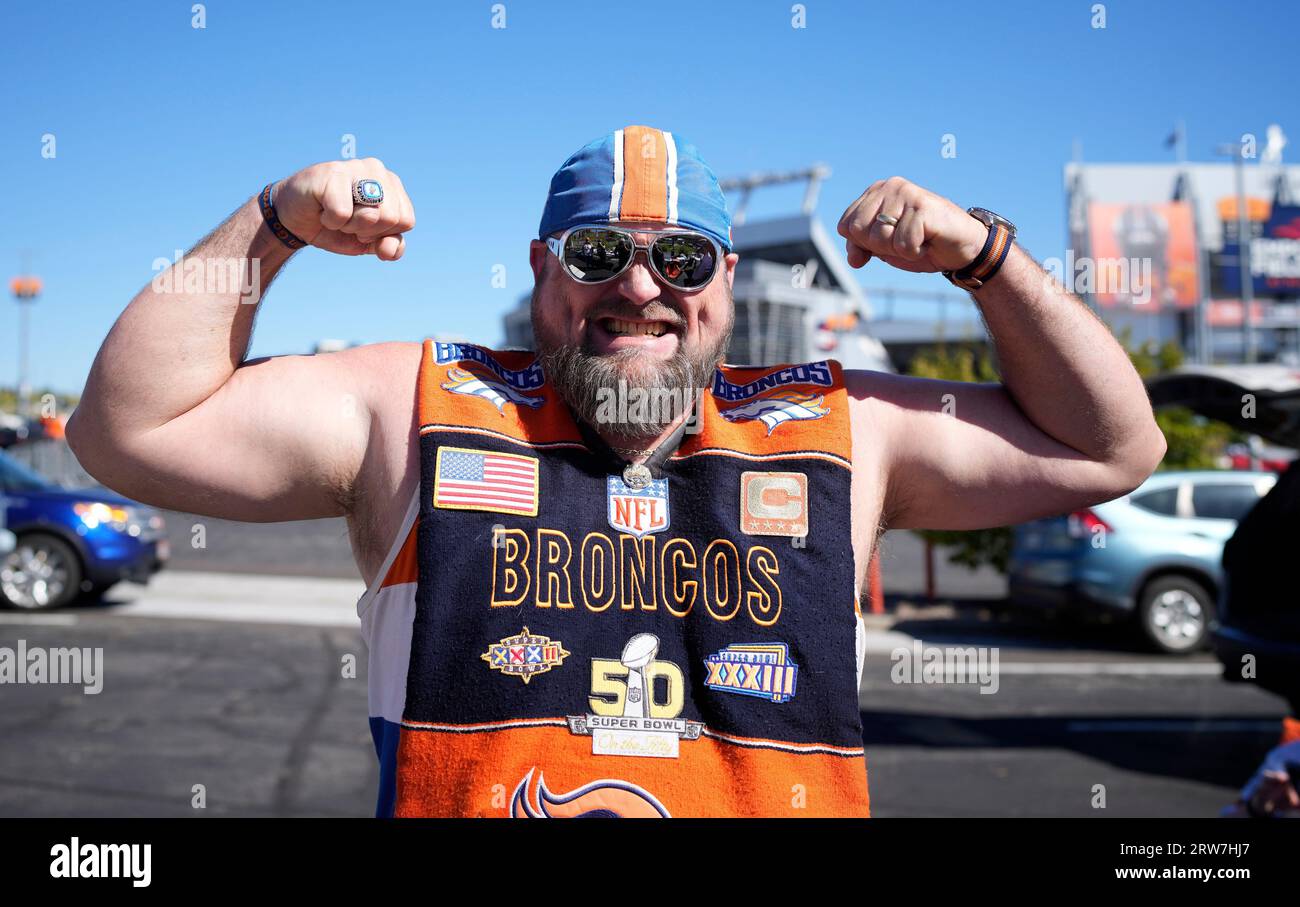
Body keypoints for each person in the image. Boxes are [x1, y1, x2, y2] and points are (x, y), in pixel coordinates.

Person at [68, 125, 1166, 817]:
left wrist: (985, 257)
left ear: (727, 281)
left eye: (679, 256)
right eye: (599, 252)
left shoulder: (835, 426)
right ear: (545, 271)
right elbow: (125, 432)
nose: (640, 287)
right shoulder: (418, 407)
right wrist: (272, 224)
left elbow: (1113, 446)